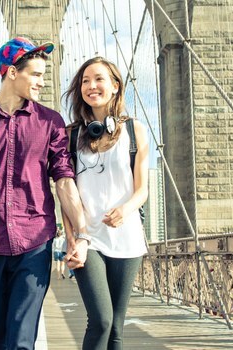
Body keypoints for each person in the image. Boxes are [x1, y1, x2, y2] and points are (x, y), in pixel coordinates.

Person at [0, 37, 89, 350]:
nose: (42, 82)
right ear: (12, 72)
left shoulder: (50, 122)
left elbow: (64, 181)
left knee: (21, 340)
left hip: (34, 240)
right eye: (36, 75)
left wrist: (81, 235)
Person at [61, 56, 149, 350]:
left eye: (98, 79)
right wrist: (73, 239)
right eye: (85, 81)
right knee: (100, 319)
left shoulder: (135, 130)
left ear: (115, 86)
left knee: (116, 327)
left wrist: (125, 209)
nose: (90, 86)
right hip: (90, 239)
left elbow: (142, 190)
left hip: (127, 239)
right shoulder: (71, 135)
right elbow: (65, 191)